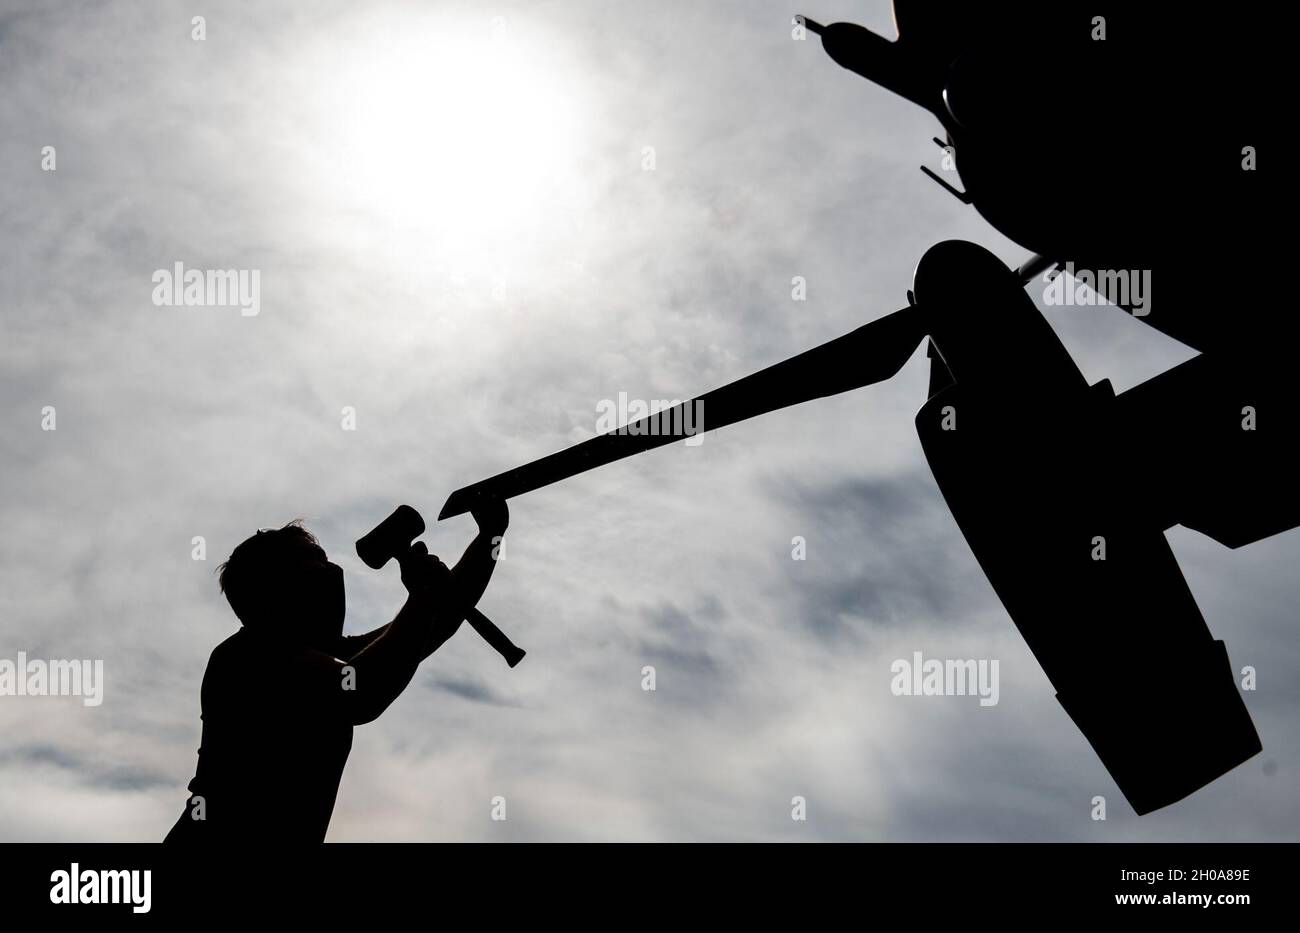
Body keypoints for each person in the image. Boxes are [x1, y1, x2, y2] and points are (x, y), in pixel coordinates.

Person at [164, 499, 509, 843]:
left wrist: (488, 539)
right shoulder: (245, 657)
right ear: (277, 587)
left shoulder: (322, 654)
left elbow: (430, 628)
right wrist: (422, 597)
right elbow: (363, 693)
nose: (331, 572)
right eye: (315, 562)